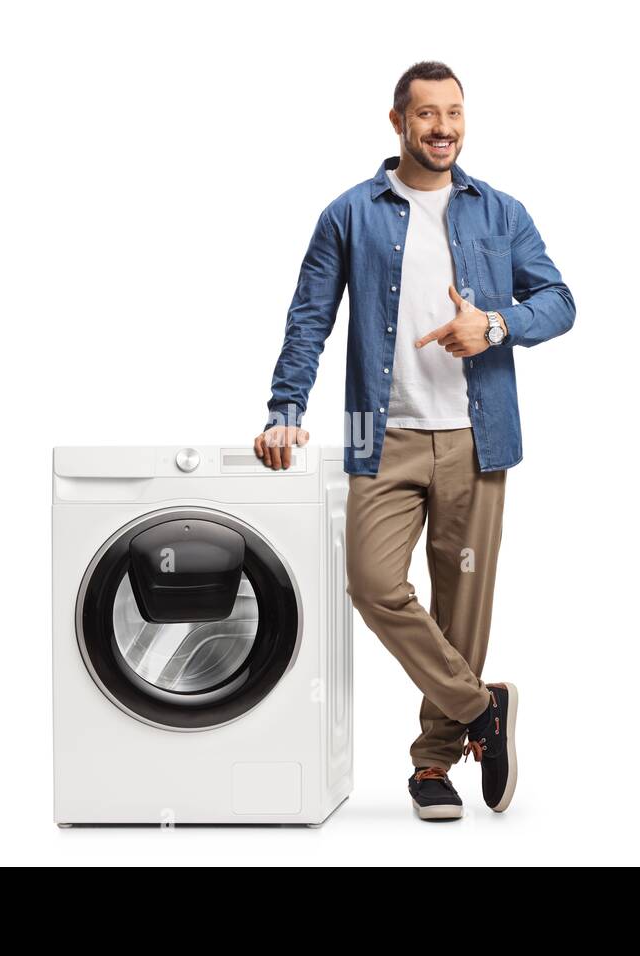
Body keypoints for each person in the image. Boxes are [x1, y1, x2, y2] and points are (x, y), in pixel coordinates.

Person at [253, 61, 575, 820]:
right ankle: (479, 709)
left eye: (455, 113)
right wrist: (283, 407)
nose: (443, 128)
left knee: (461, 604)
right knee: (372, 582)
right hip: (379, 431)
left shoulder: (500, 212)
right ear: (397, 121)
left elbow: (559, 301)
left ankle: (434, 766)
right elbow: (309, 319)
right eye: (427, 114)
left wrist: (493, 325)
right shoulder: (349, 213)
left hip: (477, 434)